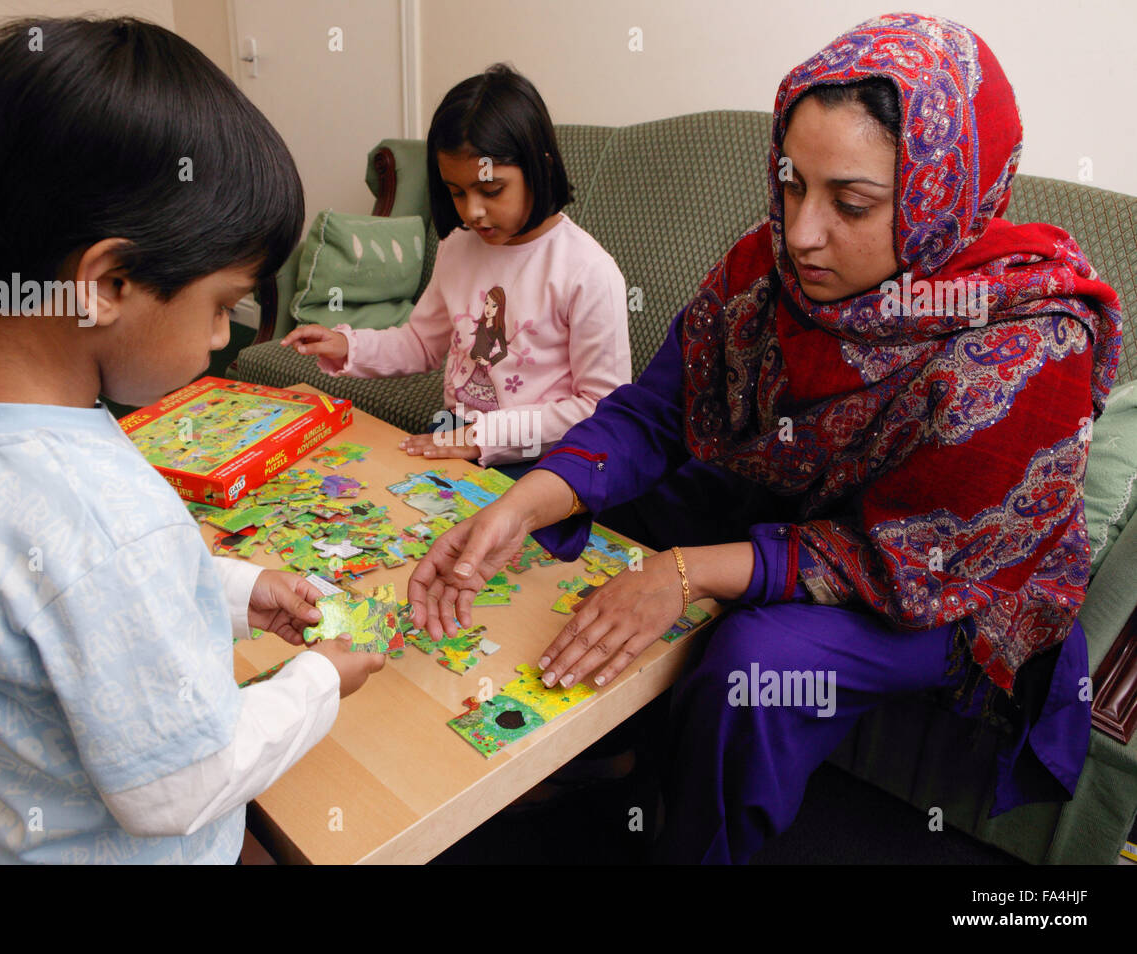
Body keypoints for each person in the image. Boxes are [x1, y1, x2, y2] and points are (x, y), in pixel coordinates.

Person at [407, 13, 1123, 863]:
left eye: (850, 202)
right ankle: (609, 758)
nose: (804, 231)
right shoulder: (767, 269)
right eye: (789, 185)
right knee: (602, 490)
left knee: (757, 663)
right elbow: (653, 412)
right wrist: (524, 500)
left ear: (941, 194)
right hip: (790, 500)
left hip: (945, 582)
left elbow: (902, 560)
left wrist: (683, 573)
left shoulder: (1026, 344)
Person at [0, 16, 384, 865]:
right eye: (222, 304)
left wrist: (235, 591)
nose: (225, 338)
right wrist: (316, 684)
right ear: (108, 283)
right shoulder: (103, 518)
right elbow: (178, 788)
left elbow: (51, 608)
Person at [281, 64, 631, 482]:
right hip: (452, 436)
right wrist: (346, 346)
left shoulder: (588, 270)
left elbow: (600, 406)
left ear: (540, 166)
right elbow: (419, 344)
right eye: (457, 192)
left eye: (491, 190)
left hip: (546, 463)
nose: (472, 211)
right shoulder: (457, 248)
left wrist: (482, 437)